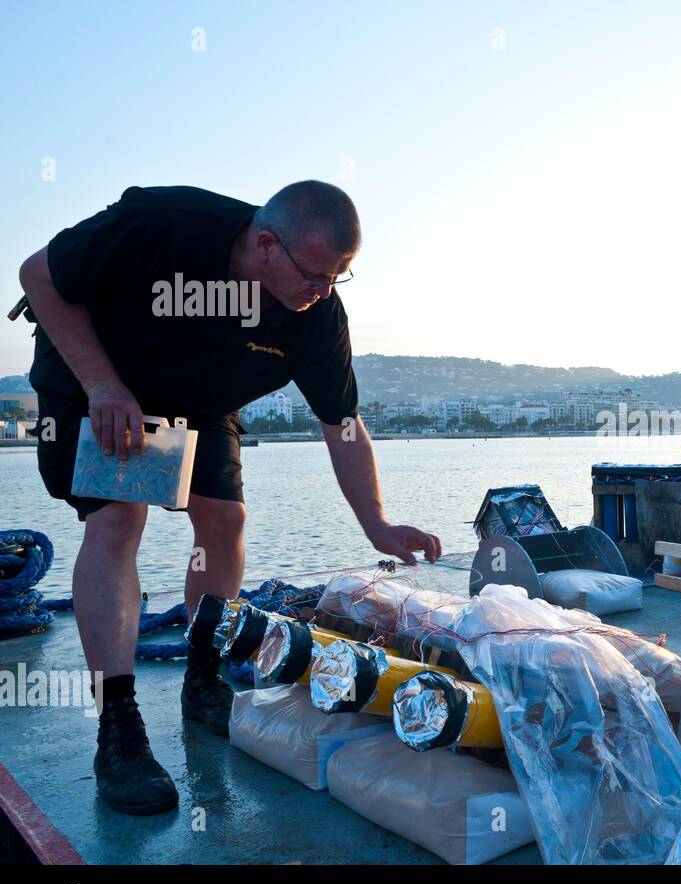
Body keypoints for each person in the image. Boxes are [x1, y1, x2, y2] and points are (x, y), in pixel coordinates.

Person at [19, 182, 442, 815]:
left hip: (196, 401)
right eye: (316, 274)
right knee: (119, 516)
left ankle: (204, 677)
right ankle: (119, 727)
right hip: (99, 382)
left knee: (224, 518)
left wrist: (376, 522)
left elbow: (342, 426)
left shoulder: (313, 314)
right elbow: (38, 275)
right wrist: (104, 387)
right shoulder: (166, 226)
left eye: (339, 279)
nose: (322, 291)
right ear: (266, 245)